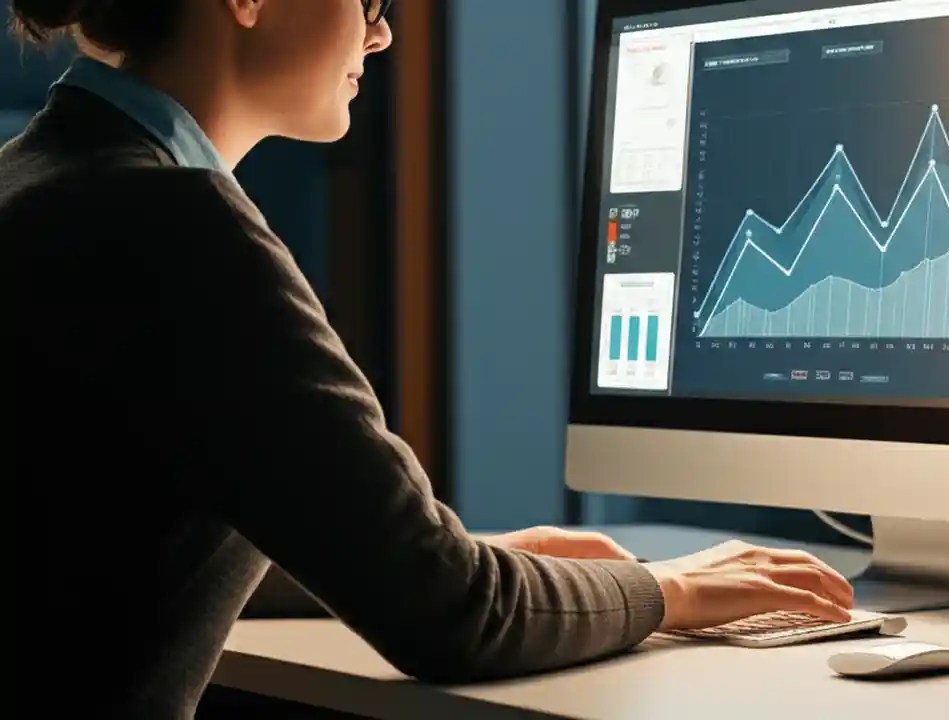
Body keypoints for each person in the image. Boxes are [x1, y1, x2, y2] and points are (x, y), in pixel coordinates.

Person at [3, 0, 855, 716]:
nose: (380, 35)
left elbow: (87, 554)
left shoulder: (39, 184)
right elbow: (452, 618)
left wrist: (423, 549)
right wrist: (674, 593)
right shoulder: (176, 229)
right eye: (368, 0)